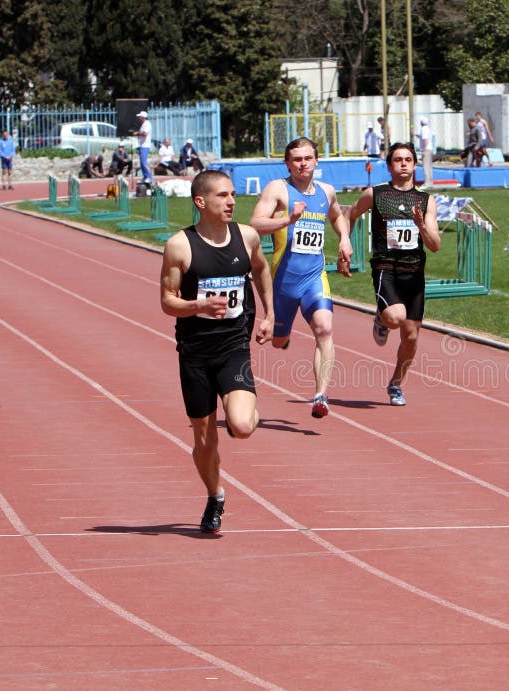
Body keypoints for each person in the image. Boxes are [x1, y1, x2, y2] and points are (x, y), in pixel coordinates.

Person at [159, 169, 274, 533]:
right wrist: (198, 306)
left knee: (241, 426)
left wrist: (270, 315)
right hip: (194, 354)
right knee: (204, 440)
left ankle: (248, 407)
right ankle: (215, 494)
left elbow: (261, 270)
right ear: (200, 202)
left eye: (233, 195)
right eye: (222, 196)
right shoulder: (180, 245)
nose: (231, 201)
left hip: (233, 347)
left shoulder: (247, 237)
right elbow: (166, 301)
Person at [249, 137, 353, 419]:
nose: (302, 164)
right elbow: (255, 224)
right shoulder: (278, 190)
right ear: (287, 163)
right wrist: (287, 221)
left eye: (308, 158)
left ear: (316, 161)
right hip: (283, 281)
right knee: (278, 341)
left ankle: (321, 395)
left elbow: (337, 216)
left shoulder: (327, 191)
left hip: (313, 276)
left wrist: (344, 238)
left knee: (324, 328)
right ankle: (284, 334)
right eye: (296, 159)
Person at [347, 141, 441, 407]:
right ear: (389, 166)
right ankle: (382, 317)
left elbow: (434, 246)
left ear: (414, 164)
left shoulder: (425, 200)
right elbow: (350, 214)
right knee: (395, 317)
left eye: (408, 159)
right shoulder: (375, 194)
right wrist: (346, 243)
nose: (403, 164)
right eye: (398, 159)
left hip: (414, 273)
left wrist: (422, 225)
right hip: (385, 268)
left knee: (411, 337)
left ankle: (396, 383)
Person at [133, 110, 153, 184]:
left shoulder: (147, 124)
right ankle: (145, 176)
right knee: (141, 163)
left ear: (143, 117)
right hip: (141, 145)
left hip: (145, 145)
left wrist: (137, 133)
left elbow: (145, 134)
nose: (139, 118)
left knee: (144, 162)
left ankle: (149, 177)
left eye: (140, 117)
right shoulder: (144, 124)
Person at [417, 117, 433, 188]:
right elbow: (423, 138)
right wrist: (416, 134)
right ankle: (430, 182)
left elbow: (425, 140)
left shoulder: (423, 130)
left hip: (426, 149)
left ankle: (427, 183)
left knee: (425, 167)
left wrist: (423, 150)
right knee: (429, 167)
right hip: (430, 149)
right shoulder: (428, 129)